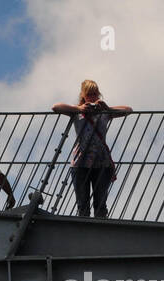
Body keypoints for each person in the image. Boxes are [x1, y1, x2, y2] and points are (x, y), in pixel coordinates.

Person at [52, 80, 133, 218]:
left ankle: (100, 232)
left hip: (101, 162)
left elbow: (128, 110)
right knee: (82, 204)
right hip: (80, 163)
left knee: (100, 205)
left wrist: (108, 109)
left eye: (95, 94)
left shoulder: (104, 113)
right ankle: (84, 233)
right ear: (83, 95)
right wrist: (79, 109)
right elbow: (55, 107)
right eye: (89, 94)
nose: (92, 97)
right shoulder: (76, 112)